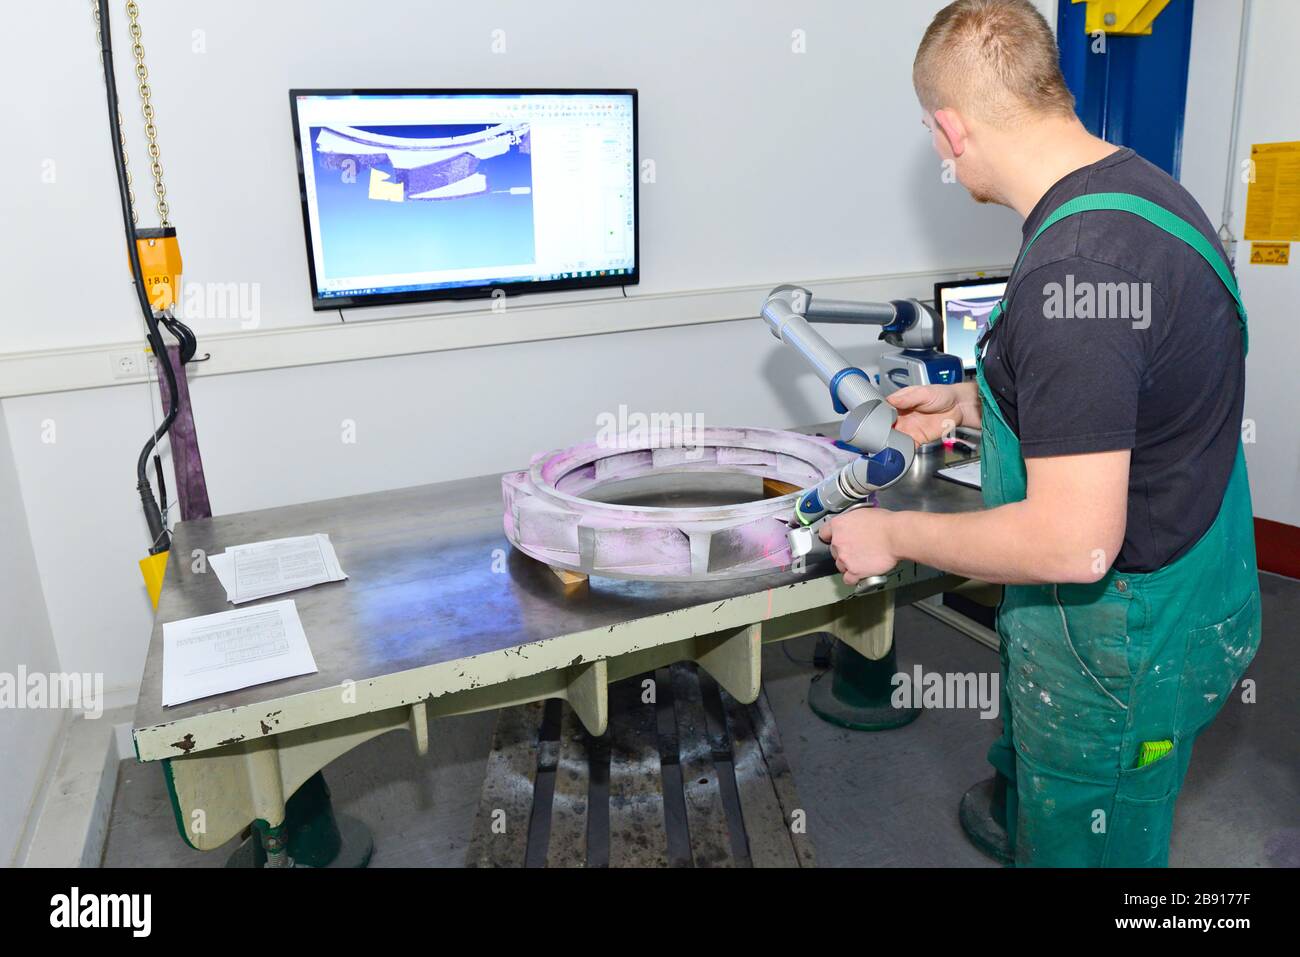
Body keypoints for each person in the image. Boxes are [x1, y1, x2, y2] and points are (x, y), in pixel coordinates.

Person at [819, 0, 1261, 866]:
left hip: (1123, 645)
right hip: (1194, 589)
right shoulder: (1138, 191)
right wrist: (976, 407)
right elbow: (1125, 397)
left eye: (933, 136)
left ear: (950, 130)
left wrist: (890, 534)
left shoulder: (1074, 270)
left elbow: (1073, 543)